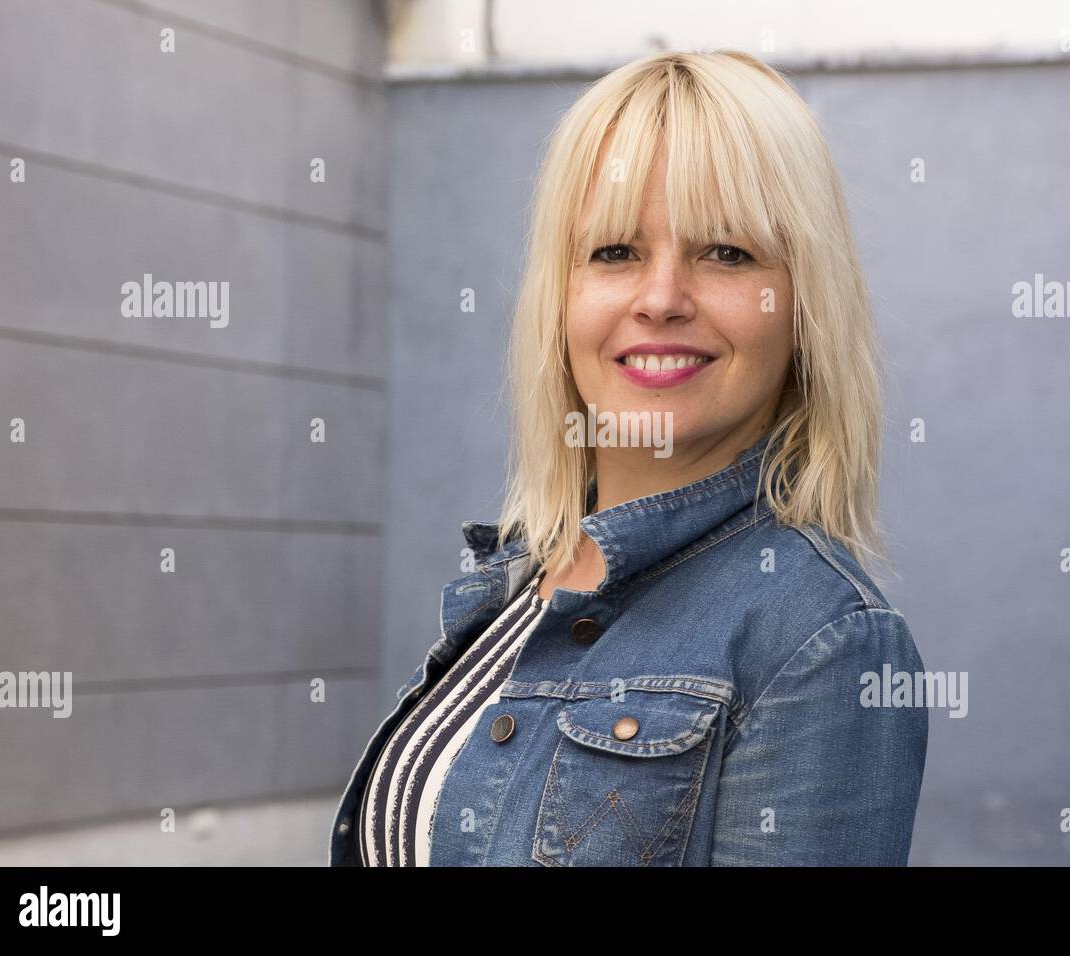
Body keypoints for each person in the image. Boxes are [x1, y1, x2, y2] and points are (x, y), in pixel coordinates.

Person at [330, 48, 928, 867]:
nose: (661, 299)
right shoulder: (516, 583)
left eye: (726, 253)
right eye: (614, 252)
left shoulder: (821, 639)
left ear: (802, 304)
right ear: (561, 295)